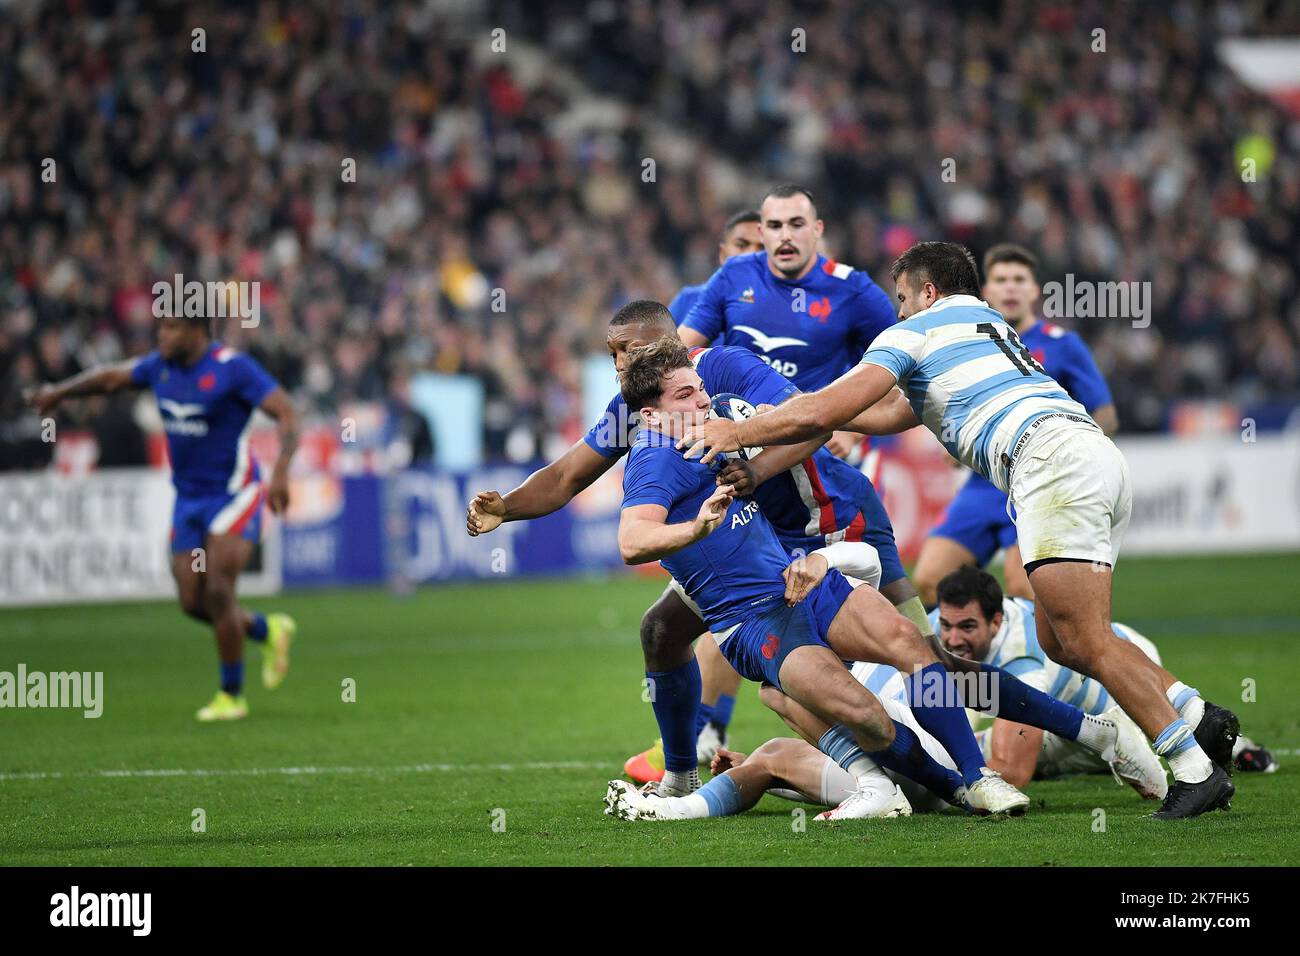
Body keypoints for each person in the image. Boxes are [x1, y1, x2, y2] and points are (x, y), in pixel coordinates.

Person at [677, 240, 1240, 820]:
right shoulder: (985, 321)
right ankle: (1194, 713)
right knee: (1060, 640)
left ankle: (1192, 769)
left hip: (1044, 462)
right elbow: (888, 412)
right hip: (1091, 455)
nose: (895, 313)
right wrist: (811, 415)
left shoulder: (914, 331)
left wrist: (740, 430)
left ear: (928, 291)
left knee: (1075, 640)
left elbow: (826, 409)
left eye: (901, 298)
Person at [607, 334, 1032, 817]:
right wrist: (695, 527)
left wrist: (761, 463)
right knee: (865, 716)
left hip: (798, 580)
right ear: (651, 416)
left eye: (699, 387)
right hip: (752, 623)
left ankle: (980, 778)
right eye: (686, 396)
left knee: (909, 642)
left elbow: (817, 422)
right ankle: (953, 788)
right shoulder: (653, 462)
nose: (703, 399)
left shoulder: (717, 418)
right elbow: (631, 541)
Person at [27, 313, 299, 721]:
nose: (162, 335)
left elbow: (289, 414)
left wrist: (280, 473)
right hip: (188, 499)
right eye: (161, 327)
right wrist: (58, 393)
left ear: (197, 331)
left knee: (219, 589)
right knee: (191, 600)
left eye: (171, 328)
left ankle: (232, 695)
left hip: (234, 493)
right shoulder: (160, 368)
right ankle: (265, 629)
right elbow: (109, 379)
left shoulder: (233, 368)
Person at [913, 243, 1119, 607]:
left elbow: (1105, 416)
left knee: (1024, 588)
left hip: (1036, 481)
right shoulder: (971, 341)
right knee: (930, 580)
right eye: (1001, 280)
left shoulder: (1062, 344)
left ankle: (1035, 659)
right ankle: (977, 655)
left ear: (1033, 290)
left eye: (1018, 279)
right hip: (983, 484)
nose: (1010, 288)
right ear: (985, 292)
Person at [934, 566, 1276, 784]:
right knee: (953, 741)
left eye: (967, 627)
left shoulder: (1022, 661)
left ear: (996, 622)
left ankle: (1231, 747)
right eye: (946, 626)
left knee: (994, 756)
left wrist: (934, 780)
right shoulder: (944, 623)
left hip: (1116, 692)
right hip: (1118, 648)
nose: (952, 639)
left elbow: (1015, 770)